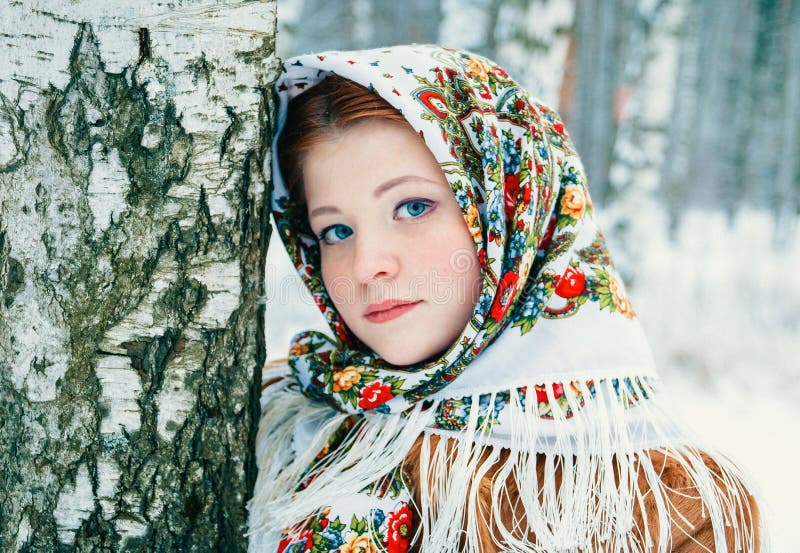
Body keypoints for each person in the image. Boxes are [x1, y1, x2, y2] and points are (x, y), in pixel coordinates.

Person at [247, 45, 763, 552]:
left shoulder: (674, 507)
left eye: (413, 207)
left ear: (514, 212)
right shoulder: (282, 427)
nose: (365, 266)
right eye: (336, 231)